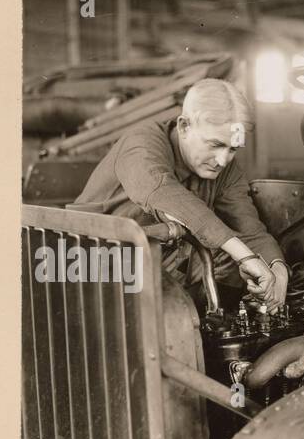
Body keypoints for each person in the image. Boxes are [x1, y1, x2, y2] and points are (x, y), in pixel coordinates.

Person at [73, 78, 288, 309]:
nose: (223, 160)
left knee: (235, 262)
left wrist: (278, 270)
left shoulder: (225, 171)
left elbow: (250, 230)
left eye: (233, 149)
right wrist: (244, 256)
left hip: (156, 264)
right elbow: (163, 193)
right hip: (89, 264)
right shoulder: (141, 144)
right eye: (215, 145)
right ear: (184, 126)